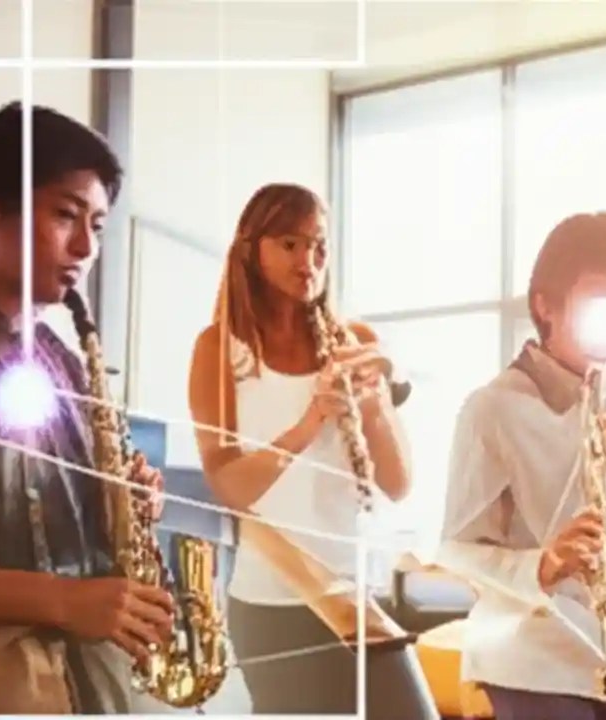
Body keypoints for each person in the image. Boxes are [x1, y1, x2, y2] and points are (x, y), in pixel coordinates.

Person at [186, 182, 436, 716]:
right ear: (252, 248)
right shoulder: (219, 349)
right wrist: (309, 423)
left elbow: (397, 483)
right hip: (273, 600)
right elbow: (228, 488)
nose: (309, 260)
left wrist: (370, 404)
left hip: (359, 593)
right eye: (291, 244)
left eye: (319, 246)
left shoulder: (354, 339)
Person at [438, 211, 606, 720]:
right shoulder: (493, 408)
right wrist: (543, 565)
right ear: (545, 304)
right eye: (599, 300)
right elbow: (456, 549)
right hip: (533, 661)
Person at [0, 101, 174, 714]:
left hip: (77, 669)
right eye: (66, 215)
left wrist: (123, 501)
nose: (85, 248)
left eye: (97, 226)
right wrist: (65, 601)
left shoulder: (58, 361)